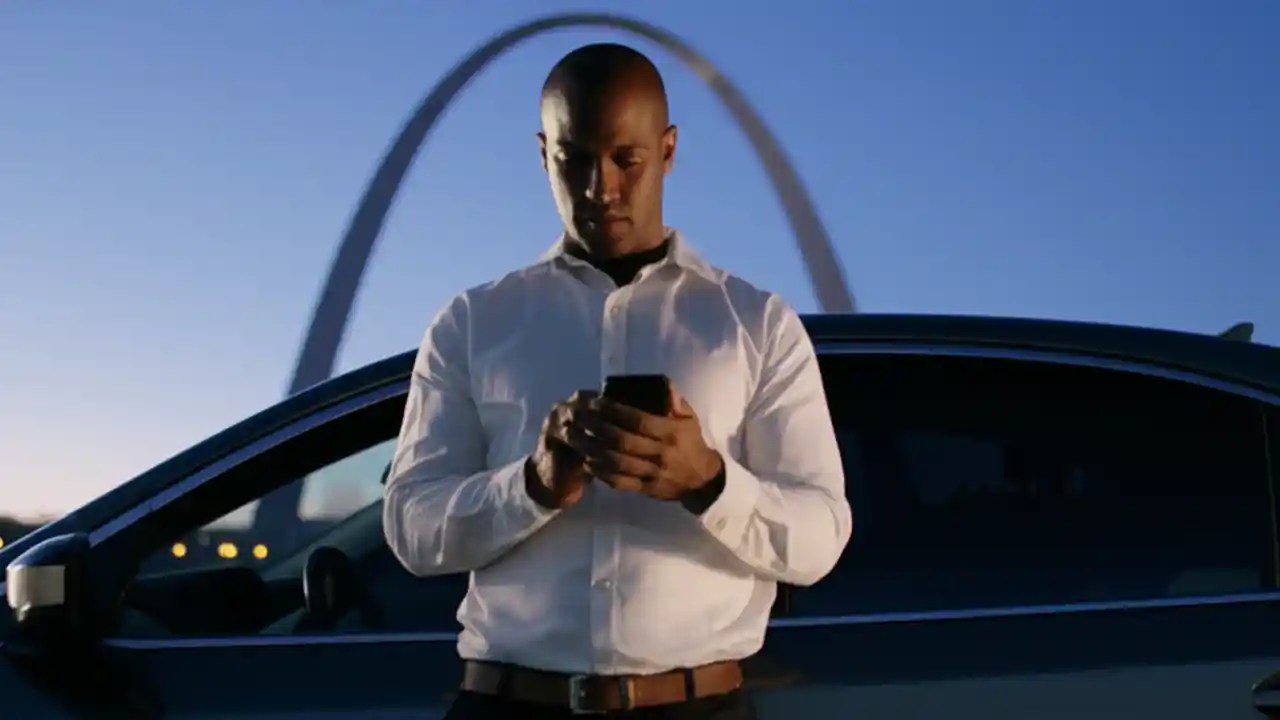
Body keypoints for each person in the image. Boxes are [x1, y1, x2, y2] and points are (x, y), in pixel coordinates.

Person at [383, 42, 852, 720]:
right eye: (574, 161)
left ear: (667, 150)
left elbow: (821, 537)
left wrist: (708, 481)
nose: (600, 189)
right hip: (509, 703)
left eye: (625, 160)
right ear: (543, 153)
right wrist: (533, 483)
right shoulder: (472, 322)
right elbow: (411, 529)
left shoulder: (756, 324)